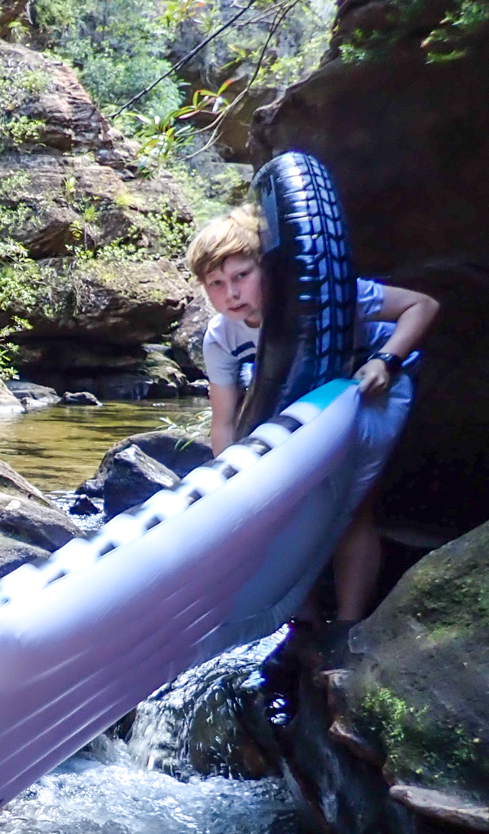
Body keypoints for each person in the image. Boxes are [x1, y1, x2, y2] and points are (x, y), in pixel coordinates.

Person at [186, 204, 440, 625]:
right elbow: (224, 420)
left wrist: (384, 360)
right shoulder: (221, 337)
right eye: (216, 283)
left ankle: (347, 624)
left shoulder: (325, 296)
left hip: (375, 388)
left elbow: (423, 306)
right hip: (310, 400)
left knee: (352, 504)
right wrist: (225, 487)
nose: (231, 293)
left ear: (266, 269)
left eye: (241, 276)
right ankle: (300, 625)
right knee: (288, 509)